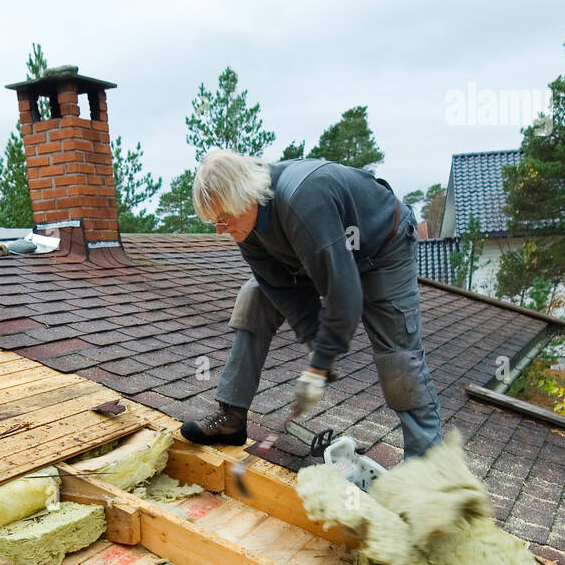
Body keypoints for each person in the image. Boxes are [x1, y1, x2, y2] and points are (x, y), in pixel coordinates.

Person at [181, 149, 442, 459]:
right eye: (214, 221)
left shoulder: (302, 199)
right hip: (316, 250)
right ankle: (231, 417)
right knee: (253, 297)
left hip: (381, 250)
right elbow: (282, 289)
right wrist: (318, 349)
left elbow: (342, 293)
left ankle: (427, 464)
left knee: (398, 357)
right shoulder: (246, 229)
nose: (220, 229)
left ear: (247, 196)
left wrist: (319, 365)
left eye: (224, 218)